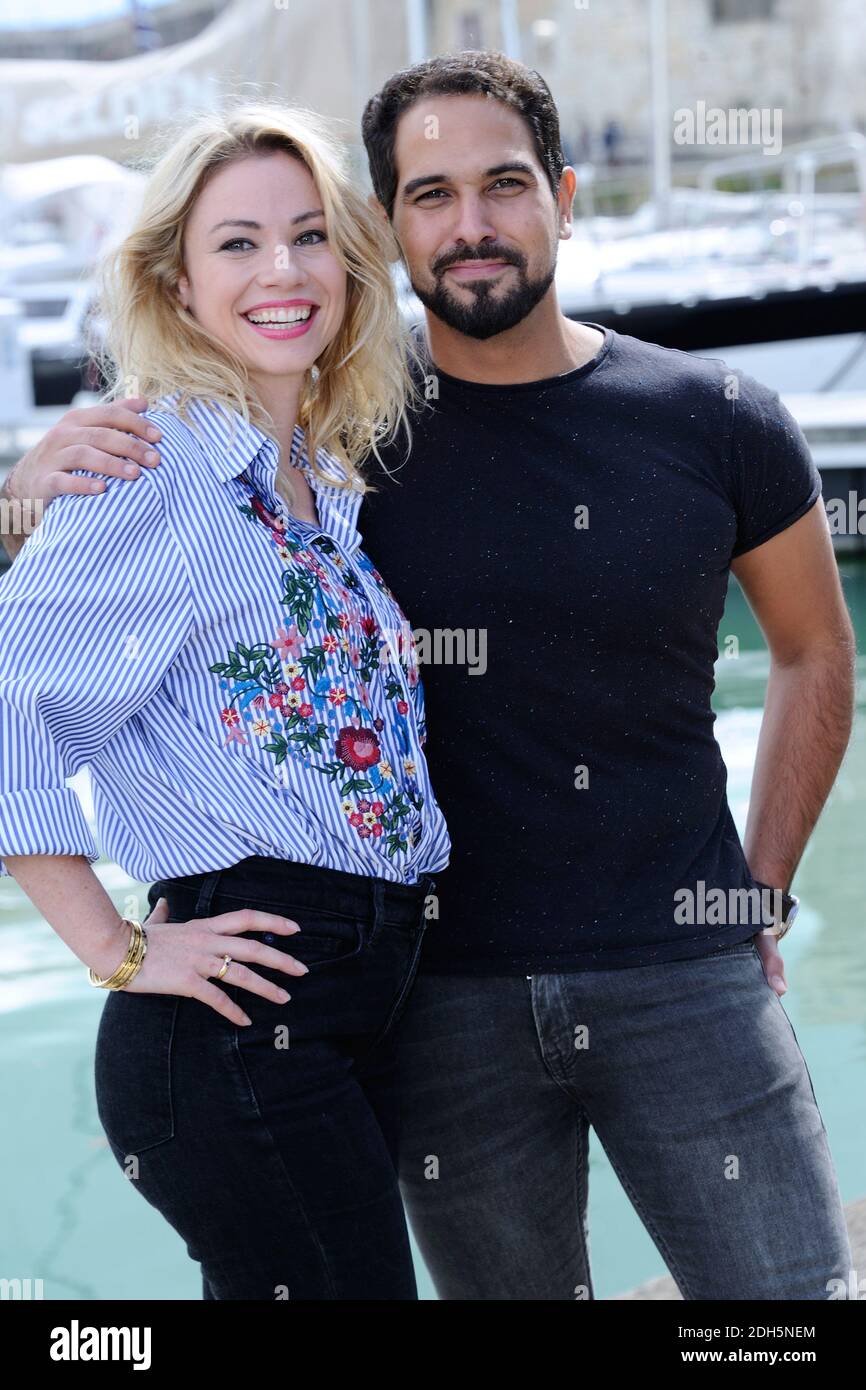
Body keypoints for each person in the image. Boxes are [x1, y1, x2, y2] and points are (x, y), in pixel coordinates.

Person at [3, 51, 857, 1300]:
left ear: (563, 196)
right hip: (411, 1008)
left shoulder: (678, 418)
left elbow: (811, 650)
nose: (469, 225)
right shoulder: (269, 442)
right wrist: (25, 493)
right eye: (427, 193)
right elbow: (38, 659)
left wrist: (759, 894)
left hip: (645, 976)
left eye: (503, 184)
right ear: (391, 228)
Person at [0, 102, 449, 1301]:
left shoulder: (317, 477)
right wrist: (114, 946)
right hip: (235, 1018)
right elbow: (8, 704)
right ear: (179, 284)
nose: (283, 270)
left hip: (352, 996)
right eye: (238, 243)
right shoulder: (149, 466)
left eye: (309, 237)